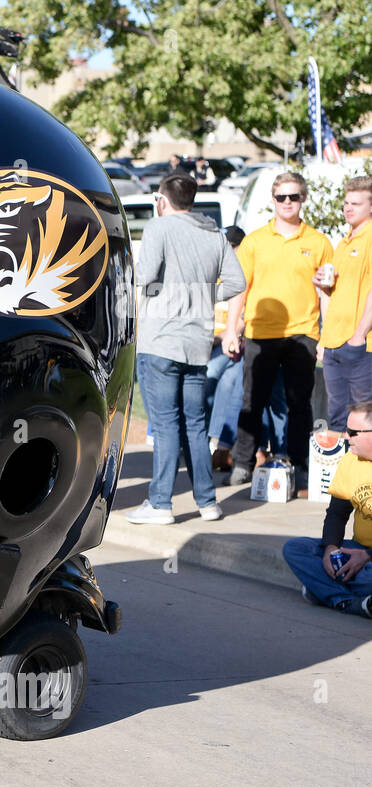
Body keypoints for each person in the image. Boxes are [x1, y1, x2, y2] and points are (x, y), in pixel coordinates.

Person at [127, 172, 245, 525]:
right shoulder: (214, 234)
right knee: (195, 424)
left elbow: (144, 278)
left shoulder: (159, 228)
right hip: (197, 342)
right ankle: (207, 502)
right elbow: (237, 283)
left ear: (162, 200)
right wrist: (201, 293)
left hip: (161, 339)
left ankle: (161, 503)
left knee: (165, 425)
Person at [222, 172, 335, 487]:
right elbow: (239, 290)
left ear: (304, 199)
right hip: (261, 333)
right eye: (282, 197)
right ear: (273, 200)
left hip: (303, 333)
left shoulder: (319, 242)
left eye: (294, 196)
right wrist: (232, 329)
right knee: (252, 402)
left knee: (300, 404)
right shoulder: (254, 242)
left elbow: (326, 293)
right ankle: (243, 464)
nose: (288, 203)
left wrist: (325, 337)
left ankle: (299, 466)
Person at [206, 225, 287, 471]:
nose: (227, 252)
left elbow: (245, 313)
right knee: (216, 381)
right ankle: (221, 446)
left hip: (245, 343)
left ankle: (234, 447)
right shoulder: (221, 272)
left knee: (235, 384)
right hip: (223, 343)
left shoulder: (249, 270)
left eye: (231, 247)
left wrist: (229, 335)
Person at [282, 400, 372, 617]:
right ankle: (349, 601)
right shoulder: (351, 460)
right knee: (296, 549)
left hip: (367, 557)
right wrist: (331, 548)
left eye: (352, 432)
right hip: (356, 550)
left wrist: (368, 556)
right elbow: (337, 514)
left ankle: (323, 589)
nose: (346, 437)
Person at [315, 176, 372, 435]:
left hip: (360, 344)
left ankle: (363, 476)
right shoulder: (344, 241)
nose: (348, 208)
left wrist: (360, 334)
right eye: (346, 202)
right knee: (338, 420)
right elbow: (332, 292)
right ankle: (342, 475)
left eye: (356, 203)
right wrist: (322, 286)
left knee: (362, 420)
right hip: (334, 343)